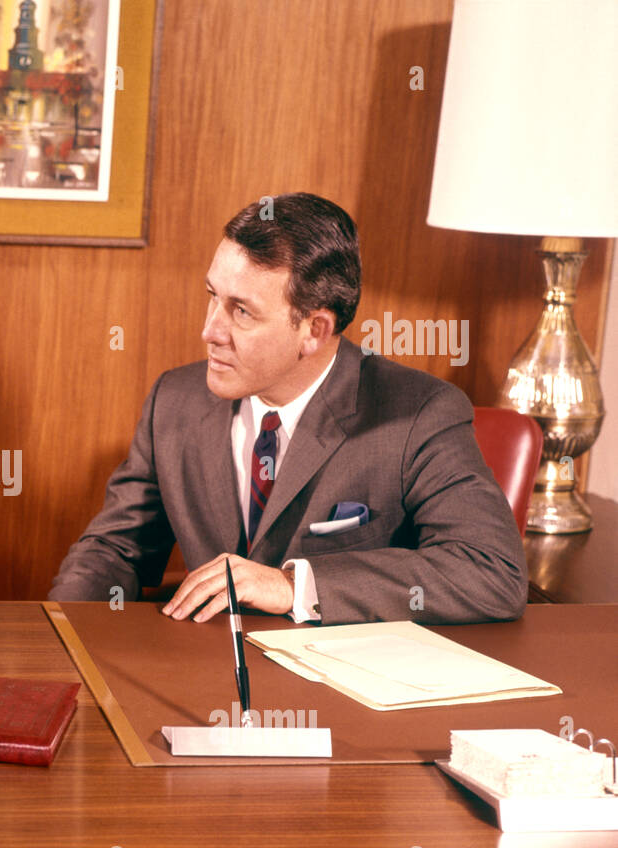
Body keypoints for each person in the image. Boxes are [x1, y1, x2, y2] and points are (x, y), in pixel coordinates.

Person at [48, 192, 528, 625]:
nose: (209, 331)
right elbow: (114, 551)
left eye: (241, 311)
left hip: (349, 696)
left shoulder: (419, 414)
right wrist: (59, 635)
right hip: (205, 681)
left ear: (314, 331)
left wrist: (293, 586)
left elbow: (491, 572)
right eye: (212, 297)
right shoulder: (174, 400)